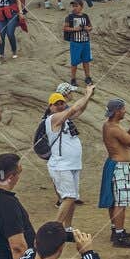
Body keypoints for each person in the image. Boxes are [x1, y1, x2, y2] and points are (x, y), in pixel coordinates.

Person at [44, 85, 93, 227]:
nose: (60, 106)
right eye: (56, 104)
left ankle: (68, 228)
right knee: (69, 197)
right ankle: (55, 229)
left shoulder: (65, 119)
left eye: (61, 103)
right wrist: (87, 94)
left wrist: (87, 98)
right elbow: (73, 109)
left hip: (72, 164)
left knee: (72, 198)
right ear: (50, 107)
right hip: (61, 165)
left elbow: (80, 110)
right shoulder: (52, 119)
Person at [99, 98, 130, 248]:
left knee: (113, 201)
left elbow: (125, 139)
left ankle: (116, 230)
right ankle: (119, 236)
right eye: (123, 109)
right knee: (121, 202)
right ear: (117, 111)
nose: (125, 111)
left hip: (113, 164)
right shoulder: (114, 128)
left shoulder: (109, 126)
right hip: (119, 167)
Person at [64, 0, 94, 86]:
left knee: (86, 60)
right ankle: (73, 79)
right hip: (75, 42)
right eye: (73, 6)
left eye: (76, 6)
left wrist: (87, 28)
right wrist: (75, 29)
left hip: (85, 41)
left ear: (81, 7)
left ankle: (87, 77)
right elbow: (65, 28)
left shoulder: (85, 16)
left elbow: (90, 27)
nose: (74, 8)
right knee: (74, 61)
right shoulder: (70, 17)